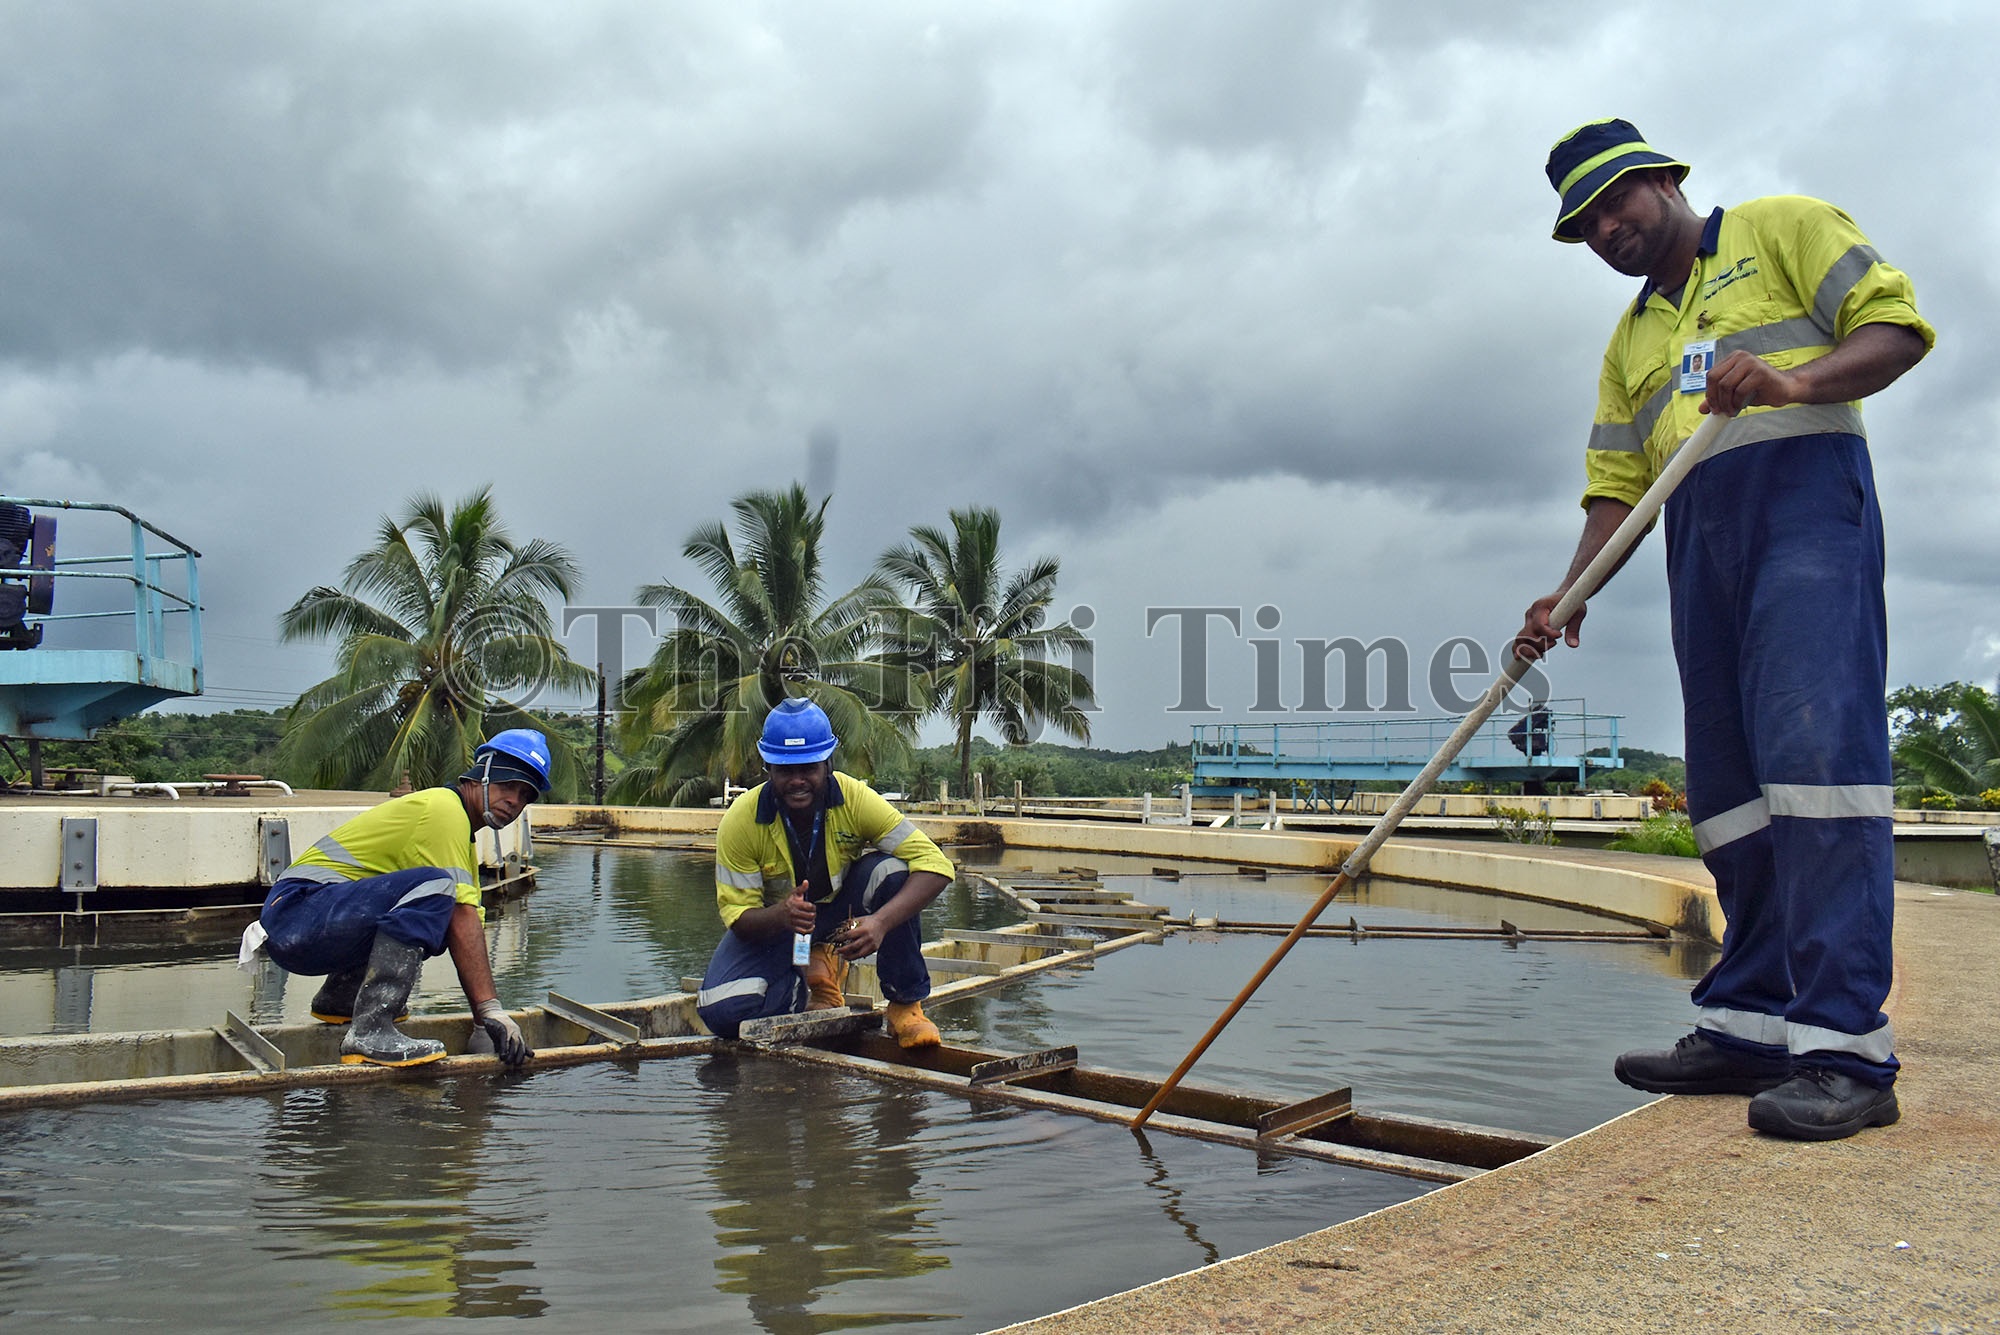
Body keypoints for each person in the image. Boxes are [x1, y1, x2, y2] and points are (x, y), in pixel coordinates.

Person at [1517, 119, 1931, 1141]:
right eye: (1587, 222)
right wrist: (1564, 598)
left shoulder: (1780, 227)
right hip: (1698, 541)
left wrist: (1790, 380)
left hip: (1802, 516)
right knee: (1729, 794)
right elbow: (1617, 488)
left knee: (1815, 778)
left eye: (1619, 198)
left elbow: (1895, 328)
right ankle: (1748, 1024)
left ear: (1662, 178)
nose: (1609, 225)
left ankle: (1843, 1051)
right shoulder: (1629, 340)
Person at [238, 730, 549, 1068]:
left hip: (300, 919)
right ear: (481, 776)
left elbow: (466, 922)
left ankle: (341, 1000)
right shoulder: (444, 810)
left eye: (525, 796)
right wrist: (490, 1012)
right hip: (297, 914)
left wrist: (481, 1023)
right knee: (436, 889)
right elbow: (462, 918)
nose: (515, 802)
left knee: (435, 907)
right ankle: (370, 1030)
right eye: (507, 786)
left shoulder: (460, 831)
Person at [695, 697, 956, 1048]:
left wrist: (879, 922)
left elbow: (936, 864)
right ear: (768, 768)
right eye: (786, 770)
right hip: (777, 925)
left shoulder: (855, 798)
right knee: (720, 1012)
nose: (797, 780)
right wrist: (782, 915)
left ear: (827, 764)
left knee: (894, 872)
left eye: (809, 768)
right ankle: (807, 986)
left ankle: (906, 1005)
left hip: (837, 913)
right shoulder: (741, 820)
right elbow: (738, 917)